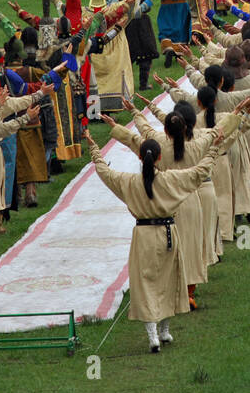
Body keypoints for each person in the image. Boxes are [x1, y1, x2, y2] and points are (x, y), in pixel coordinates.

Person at [84, 129, 221, 353]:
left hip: (144, 236)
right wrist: (214, 147)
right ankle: (164, 330)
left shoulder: (129, 182)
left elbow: (105, 172)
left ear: (140, 157)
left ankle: (154, 335)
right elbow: (200, 171)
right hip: (167, 232)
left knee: (146, 283)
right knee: (169, 280)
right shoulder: (170, 179)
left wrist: (94, 148)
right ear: (159, 158)